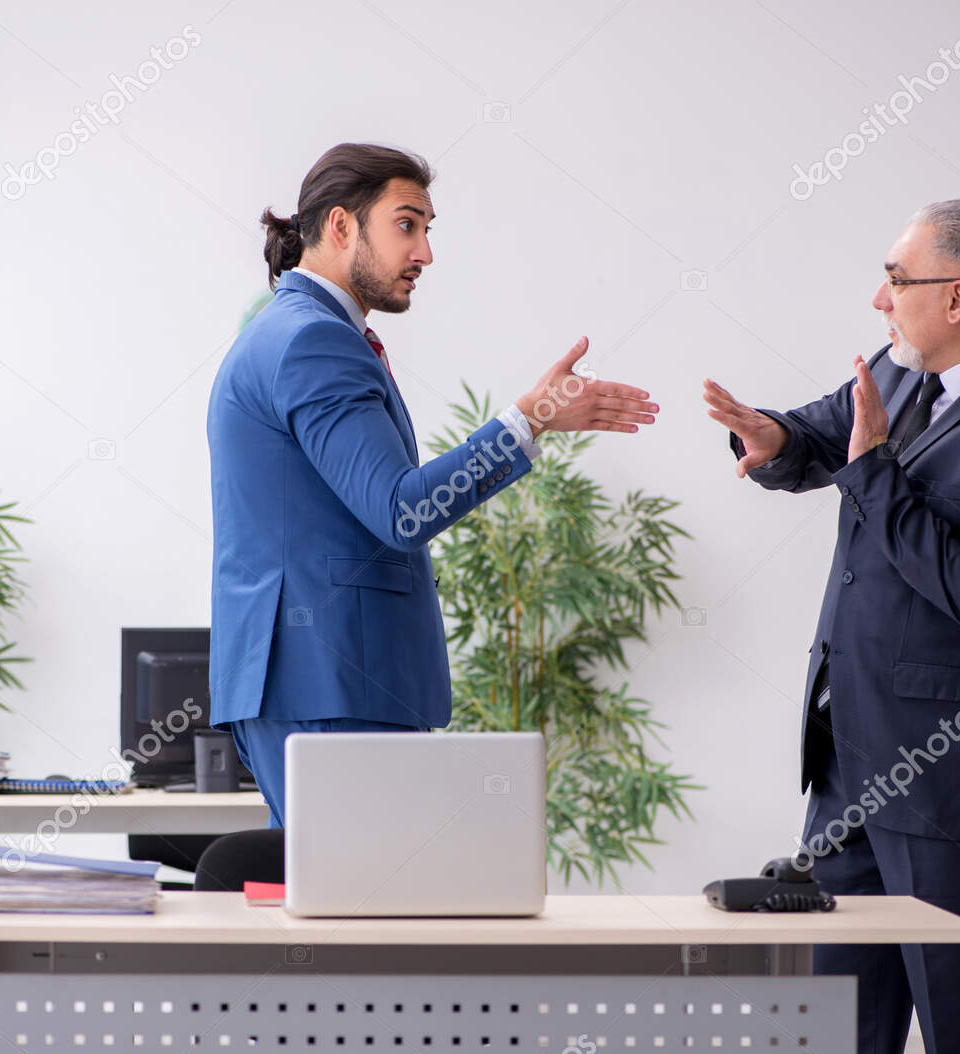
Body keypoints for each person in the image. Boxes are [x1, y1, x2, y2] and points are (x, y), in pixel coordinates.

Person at [702, 198, 960, 1054]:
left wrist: (871, 469)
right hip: (846, 761)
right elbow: (817, 435)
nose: (880, 300)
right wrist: (770, 436)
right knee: (839, 1028)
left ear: (957, 297)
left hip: (948, 778)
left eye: (894, 279)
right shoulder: (900, 367)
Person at [208, 142, 658, 827]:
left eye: (427, 228)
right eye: (407, 224)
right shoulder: (312, 342)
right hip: (329, 686)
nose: (424, 252)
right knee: (362, 920)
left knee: (348, 917)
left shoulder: (296, 331)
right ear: (339, 227)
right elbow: (401, 509)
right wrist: (528, 418)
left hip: (315, 686)